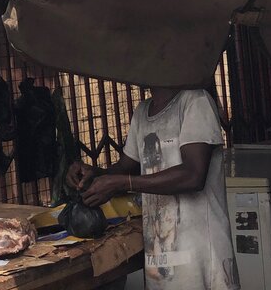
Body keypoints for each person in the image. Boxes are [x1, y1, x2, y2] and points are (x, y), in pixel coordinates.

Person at [67, 87, 240, 289]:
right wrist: (94, 174)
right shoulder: (142, 111)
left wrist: (123, 182)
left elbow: (194, 175)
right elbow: (125, 167)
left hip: (200, 257)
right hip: (160, 258)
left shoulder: (195, 101)